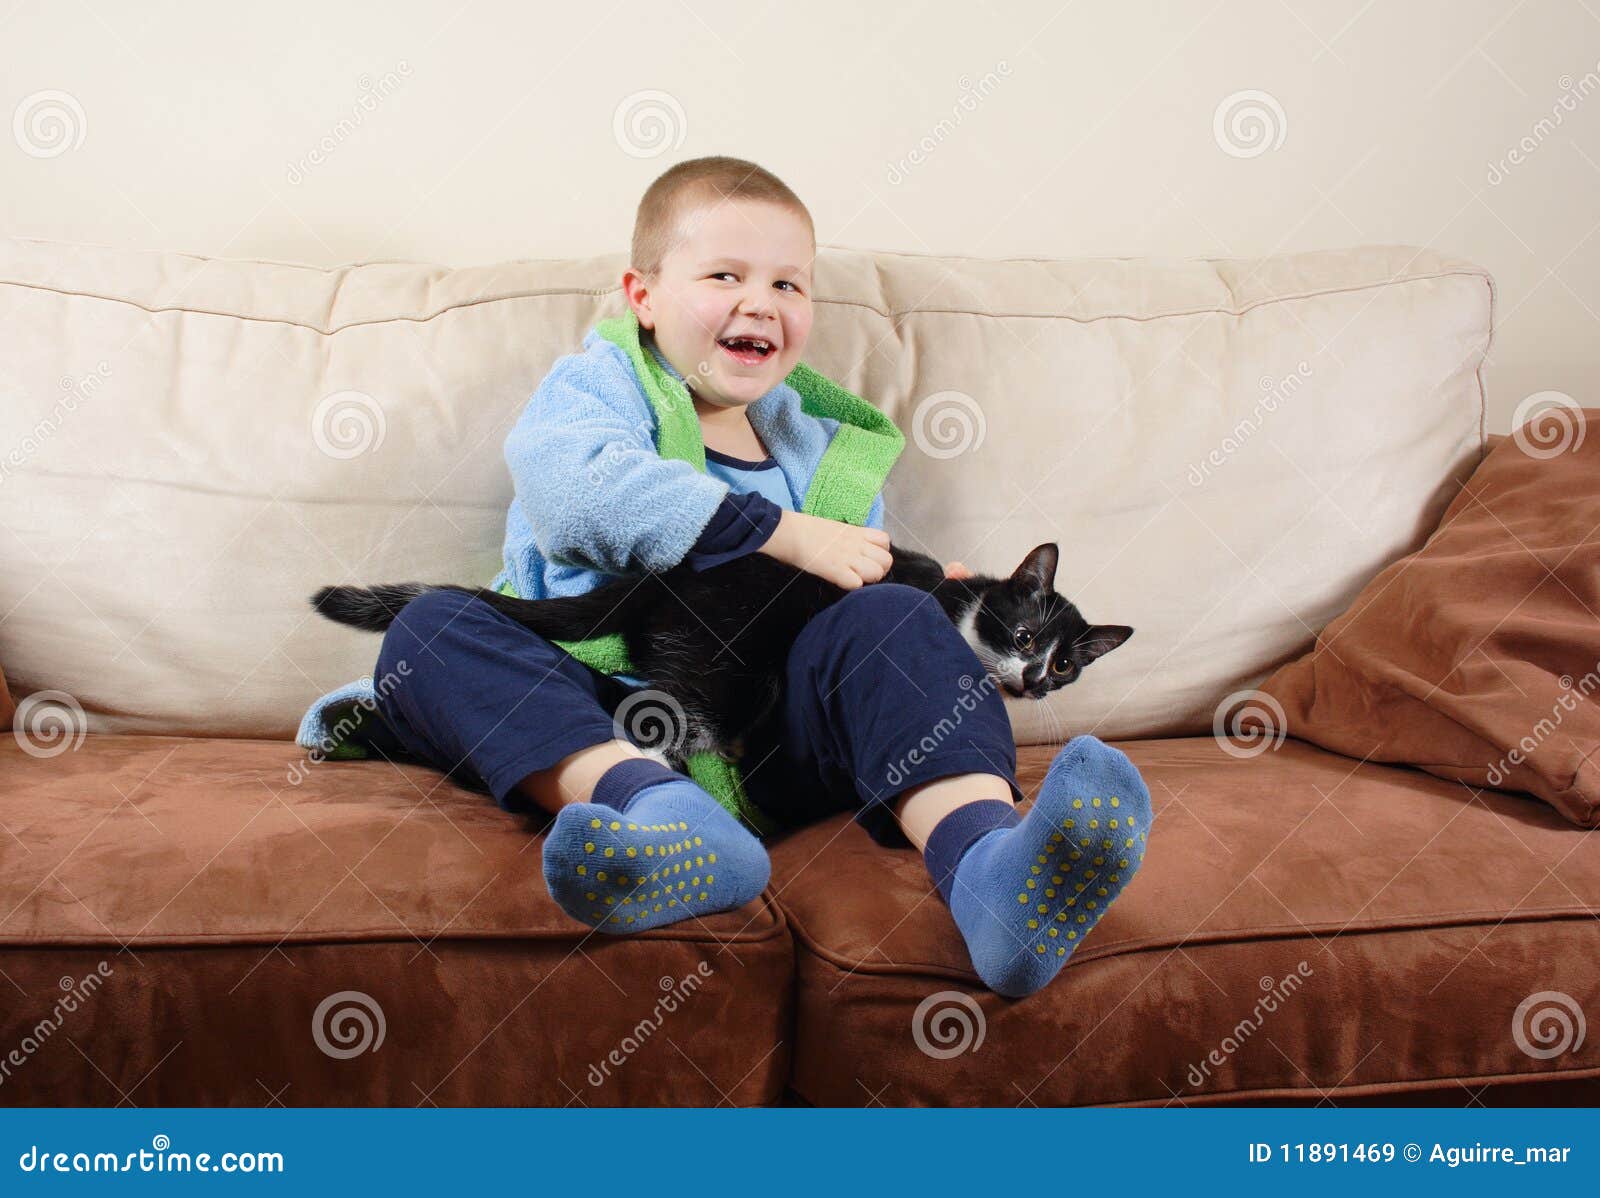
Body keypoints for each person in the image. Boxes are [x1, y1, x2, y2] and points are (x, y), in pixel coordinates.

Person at [303, 156, 1152, 998]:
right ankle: (664, 817)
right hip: (598, 701)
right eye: (725, 275)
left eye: (790, 285)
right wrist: (781, 532)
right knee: (432, 628)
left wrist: (932, 616)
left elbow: (849, 634)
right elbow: (570, 490)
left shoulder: (824, 454)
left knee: (893, 619)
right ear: (642, 297)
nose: (761, 302)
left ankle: (990, 869)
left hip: (774, 743)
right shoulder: (602, 391)